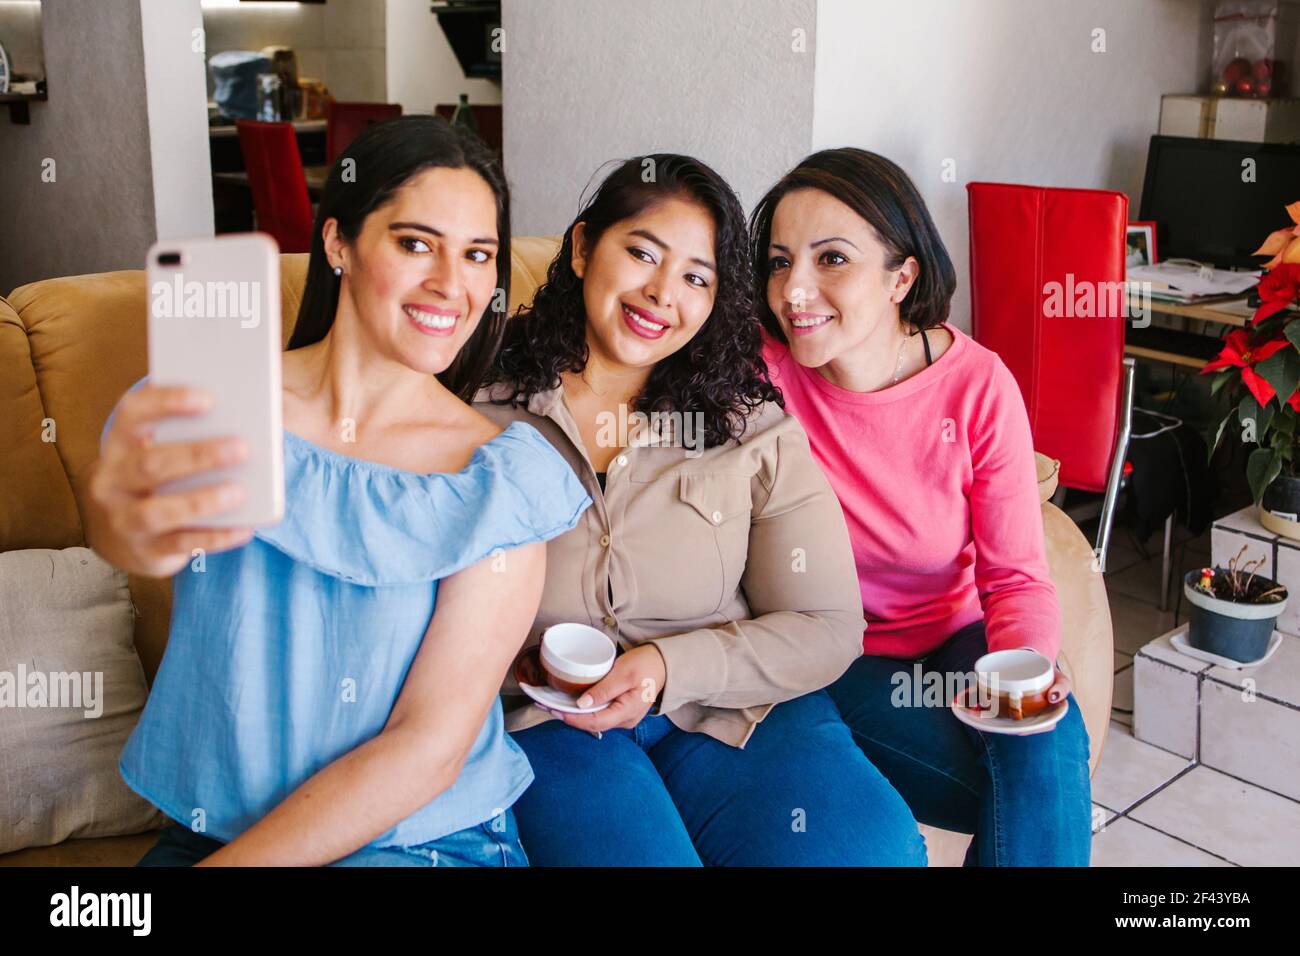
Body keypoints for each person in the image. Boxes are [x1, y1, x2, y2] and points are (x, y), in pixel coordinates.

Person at [83, 117, 590, 866]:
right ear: (338, 243)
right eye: (416, 244)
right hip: (213, 827)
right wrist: (122, 515)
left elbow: (428, 749)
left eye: (478, 254)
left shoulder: (500, 481)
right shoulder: (210, 403)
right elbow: (130, 542)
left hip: (418, 842)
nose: (453, 284)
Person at [475, 153, 926, 866]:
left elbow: (831, 625)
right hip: (545, 719)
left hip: (729, 709)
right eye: (642, 254)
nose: (662, 293)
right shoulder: (482, 404)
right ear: (586, 246)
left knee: (870, 849)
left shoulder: (749, 425)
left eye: (695, 277)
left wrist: (664, 665)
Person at [750, 147, 1092, 866]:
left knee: (1044, 746)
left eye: (832, 259)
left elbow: (1016, 577)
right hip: (831, 655)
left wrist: (1025, 666)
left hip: (958, 639)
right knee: (1031, 807)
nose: (795, 291)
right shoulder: (763, 369)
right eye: (780, 262)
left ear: (902, 276)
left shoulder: (977, 387)